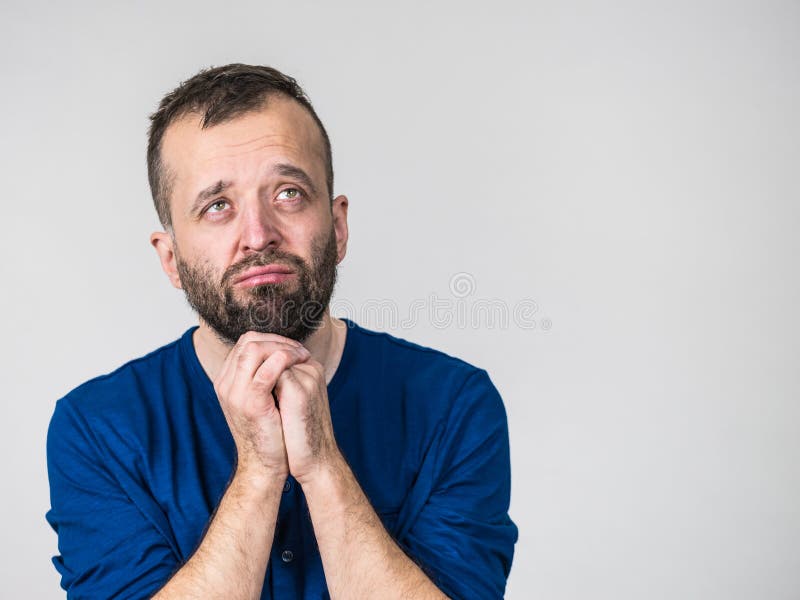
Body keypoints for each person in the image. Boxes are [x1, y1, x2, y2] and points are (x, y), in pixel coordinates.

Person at [45, 63, 517, 599]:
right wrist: (259, 473)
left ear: (338, 227)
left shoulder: (454, 404)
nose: (258, 235)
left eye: (288, 193)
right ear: (171, 257)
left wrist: (322, 467)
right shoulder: (96, 429)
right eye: (217, 206)